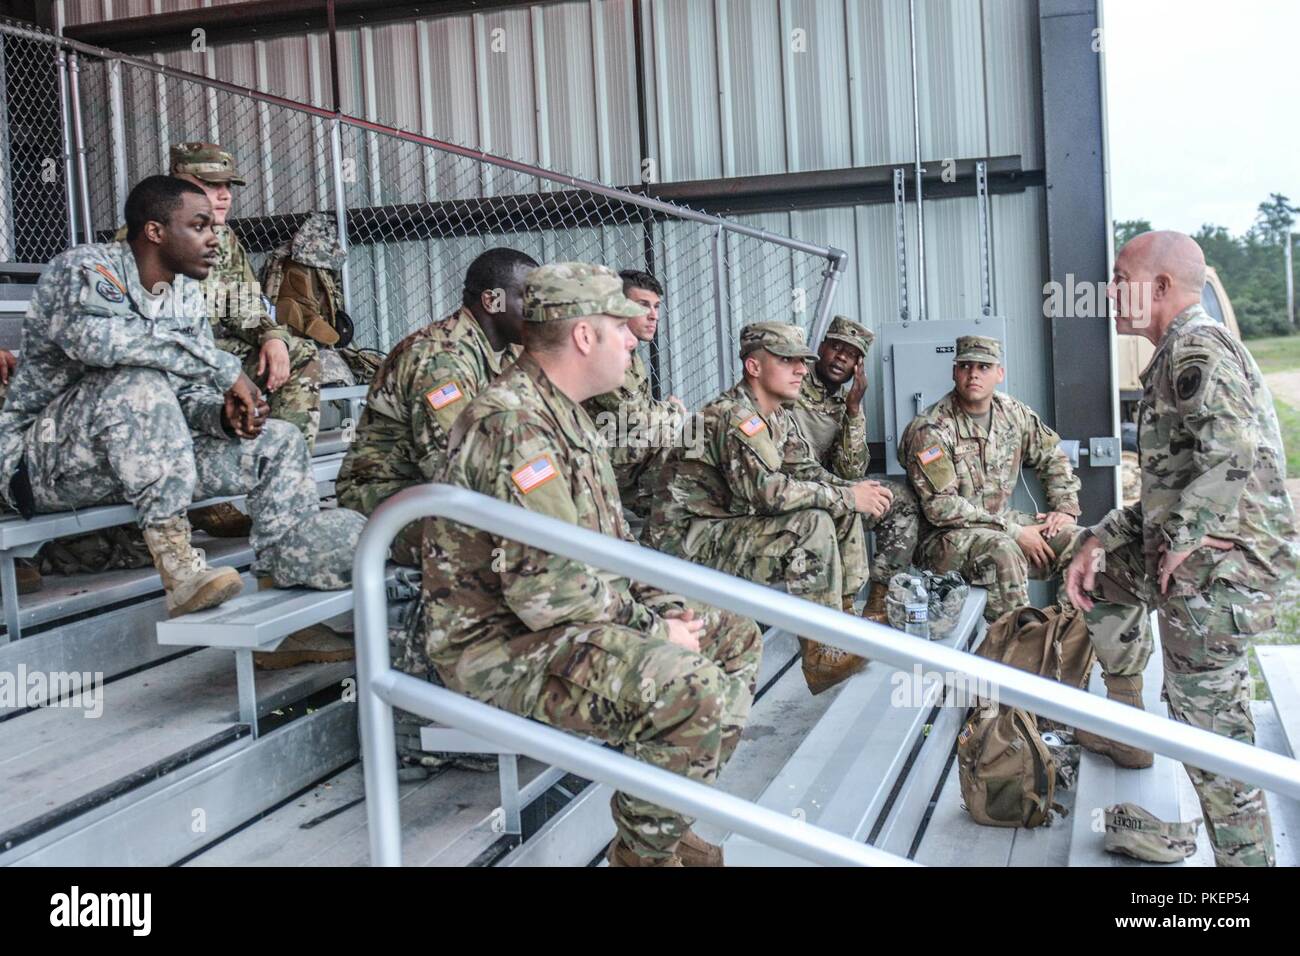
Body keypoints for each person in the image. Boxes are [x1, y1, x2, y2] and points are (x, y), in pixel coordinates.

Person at [420, 262, 762, 867]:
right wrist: (659, 630)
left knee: (733, 635)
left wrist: (667, 606)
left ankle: (665, 813)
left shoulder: (566, 410)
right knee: (690, 688)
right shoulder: (514, 424)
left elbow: (608, 552)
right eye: (621, 327)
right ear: (584, 336)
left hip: (563, 620)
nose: (634, 339)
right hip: (501, 648)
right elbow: (549, 594)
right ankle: (643, 856)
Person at [0, 176, 363, 626]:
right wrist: (225, 369)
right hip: (41, 463)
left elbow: (187, 392)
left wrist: (221, 417)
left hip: (139, 457)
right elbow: (104, 345)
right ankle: (179, 568)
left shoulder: (185, 292)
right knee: (137, 381)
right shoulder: (85, 268)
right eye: (198, 226)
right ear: (155, 231)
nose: (214, 239)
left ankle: (287, 571)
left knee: (279, 441)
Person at [1066, 230, 1297, 867]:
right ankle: (1128, 721)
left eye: (1119, 277)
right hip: (1203, 558)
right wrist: (1100, 536)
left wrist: (1186, 535)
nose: (1108, 292)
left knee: (1213, 739)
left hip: (1223, 577)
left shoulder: (1195, 348)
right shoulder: (1179, 351)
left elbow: (1234, 452)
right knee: (1099, 570)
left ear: (1161, 287)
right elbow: (1175, 486)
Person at [899, 335, 1150, 765]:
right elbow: (941, 507)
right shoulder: (930, 429)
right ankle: (1013, 697)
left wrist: (1065, 510)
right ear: (954, 371)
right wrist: (1014, 529)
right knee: (1004, 554)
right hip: (947, 542)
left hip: (1005, 531)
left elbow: (1053, 455)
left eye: (983, 367)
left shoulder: (1012, 414)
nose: (973, 375)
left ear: (1000, 373)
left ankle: (1085, 686)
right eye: (965, 367)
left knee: (1086, 548)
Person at [646, 321, 892, 696]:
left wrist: (853, 491)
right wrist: (846, 496)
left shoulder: (776, 412)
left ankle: (842, 624)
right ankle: (820, 651)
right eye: (787, 360)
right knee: (812, 522)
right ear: (754, 367)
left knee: (841, 504)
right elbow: (768, 493)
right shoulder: (732, 417)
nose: (800, 369)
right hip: (688, 544)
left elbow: (806, 470)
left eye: (802, 361)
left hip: (728, 527)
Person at [336, 247, 538, 566]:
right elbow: (454, 468)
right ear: (491, 301)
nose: (537, 311)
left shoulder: (509, 354)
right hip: (390, 500)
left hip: (441, 492)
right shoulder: (439, 361)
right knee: (519, 551)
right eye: (527, 298)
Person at [791, 314, 921, 620]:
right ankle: (840, 617)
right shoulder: (793, 383)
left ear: (857, 366)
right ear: (821, 348)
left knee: (898, 500)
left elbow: (851, 470)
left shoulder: (844, 402)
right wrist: (848, 489)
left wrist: (853, 409)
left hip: (827, 488)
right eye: (836, 348)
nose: (840, 358)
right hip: (793, 492)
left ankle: (879, 600)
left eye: (850, 356)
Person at [582, 269, 685, 524]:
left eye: (657, 307)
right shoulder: (605, 350)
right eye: (643, 306)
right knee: (680, 438)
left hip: (626, 448)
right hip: (601, 455)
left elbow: (642, 409)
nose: (653, 316)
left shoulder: (631, 352)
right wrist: (673, 412)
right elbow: (634, 416)